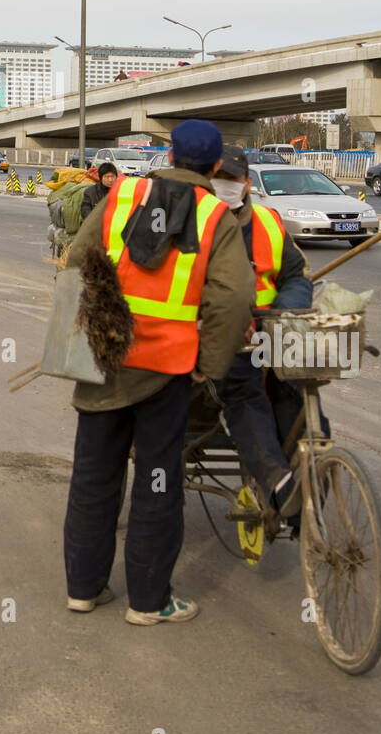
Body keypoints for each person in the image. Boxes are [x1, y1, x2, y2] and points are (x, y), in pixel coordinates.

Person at [62, 119, 256, 625]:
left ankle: (83, 589)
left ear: (169, 154)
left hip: (104, 364)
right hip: (167, 370)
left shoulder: (123, 196)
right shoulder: (216, 216)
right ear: (215, 167)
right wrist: (209, 367)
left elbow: (76, 261)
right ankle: (148, 603)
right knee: (156, 482)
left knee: (93, 476)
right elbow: (233, 300)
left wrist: (82, 340)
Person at [210, 146, 324, 521]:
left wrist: (283, 311)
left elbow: (295, 275)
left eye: (233, 180)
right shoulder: (196, 224)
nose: (226, 186)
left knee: (297, 391)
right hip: (224, 337)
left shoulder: (268, 222)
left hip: (271, 331)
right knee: (244, 396)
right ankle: (279, 484)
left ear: (246, 184)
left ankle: (314, 481)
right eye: (219, 180)